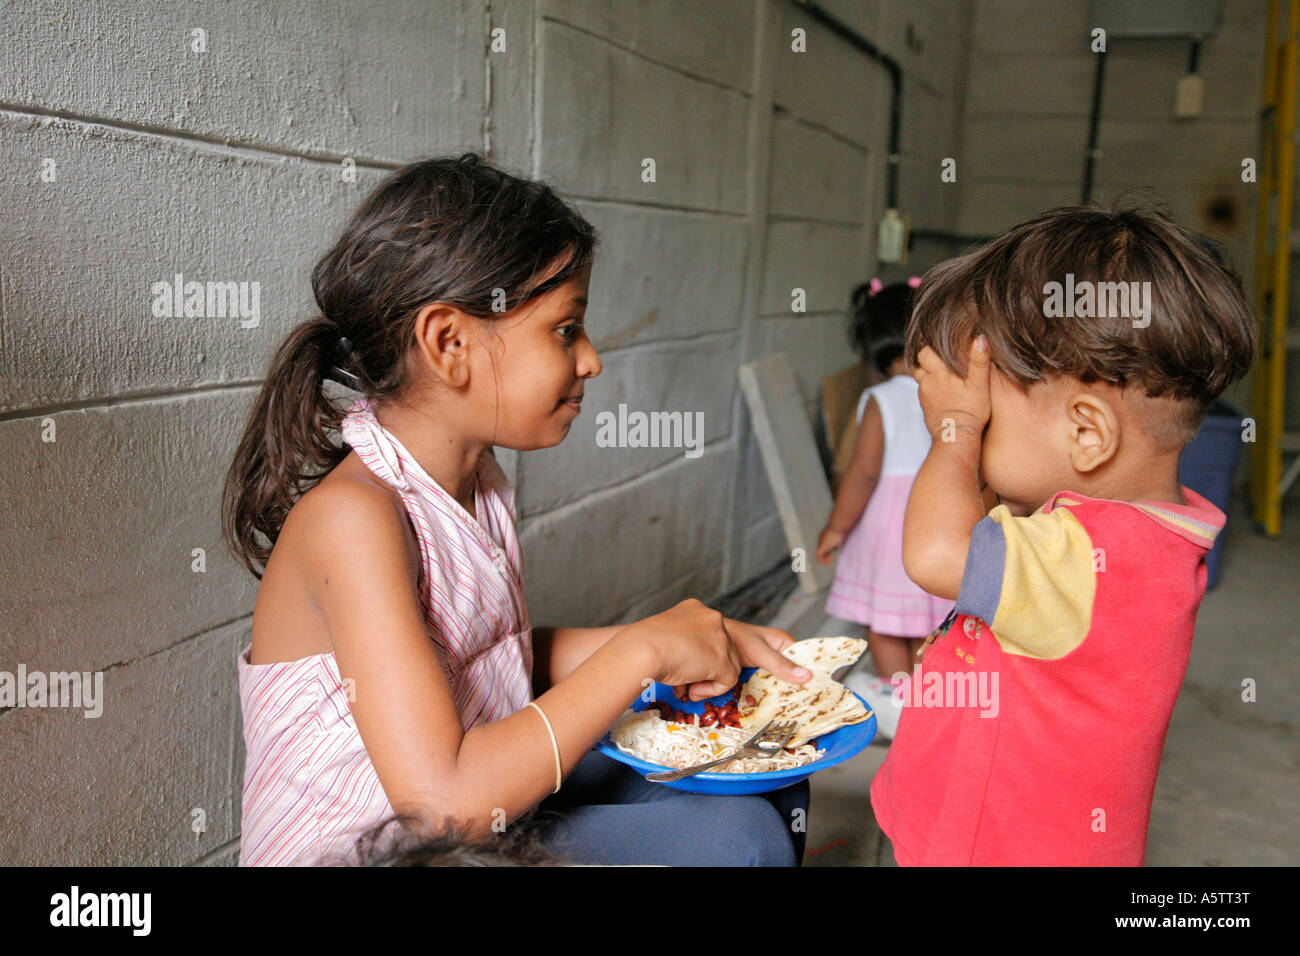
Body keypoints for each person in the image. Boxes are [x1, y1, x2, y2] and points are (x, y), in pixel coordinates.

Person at [223, 153, 813, 867]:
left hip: (469, 821)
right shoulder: (354, 519)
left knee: (767, 771)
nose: (590, 359)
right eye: (566, 329)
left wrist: (691, 632)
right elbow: (445, 805)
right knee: (738, 842)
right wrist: (643, 651)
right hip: (388, 851)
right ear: (449, 344)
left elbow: (494, 659)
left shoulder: (476, 479)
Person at [871, 202, 1256, 865]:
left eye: (990, 412)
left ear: (1086, 433)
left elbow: (934, 554)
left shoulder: (1092, 559)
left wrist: (954, 431)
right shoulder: (1139, 534)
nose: (976, 427)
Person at [816, 278, 955, 739]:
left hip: (891, 529)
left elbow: (864, 473)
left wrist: (836, 528)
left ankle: (901, 709)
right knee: (925, 625)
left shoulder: (879, 398)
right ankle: (931, 707)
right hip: (938, 517)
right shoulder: (950, 393)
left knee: (883, 623)